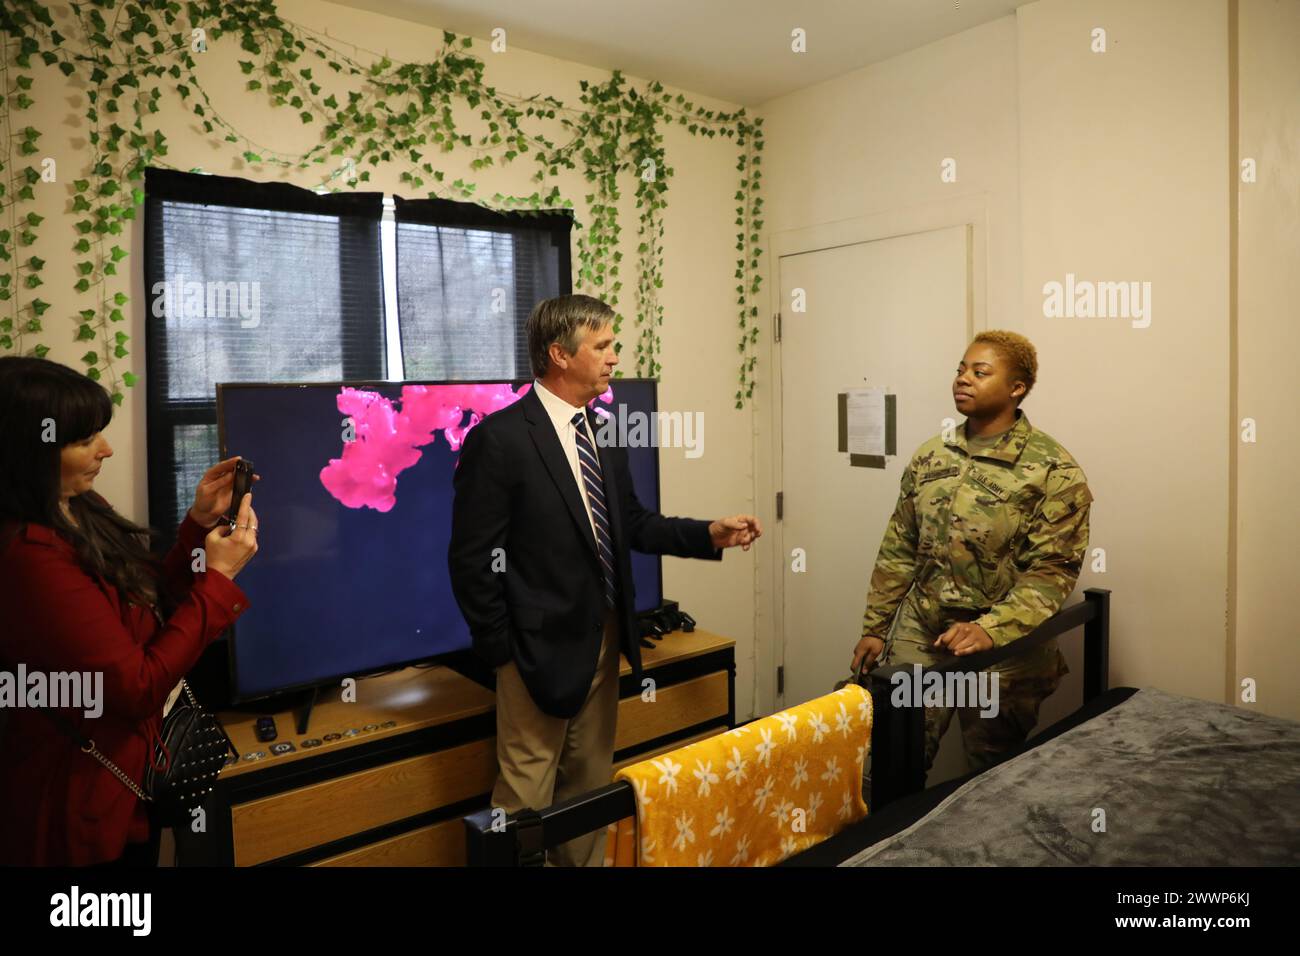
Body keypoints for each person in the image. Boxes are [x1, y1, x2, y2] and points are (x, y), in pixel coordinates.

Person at [449, 294, 761, 866]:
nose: (616, 357)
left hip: (605, 642)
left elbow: (632, 523)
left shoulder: (606, 431)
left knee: (588, 793)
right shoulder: (500, 439)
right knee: (523, 801)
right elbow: (473, 559)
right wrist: (502, 652)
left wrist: (706, 534)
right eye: (604, 346)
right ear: (559, 355)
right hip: (534, 653)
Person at [0, 357, 260, 866]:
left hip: (125, 782)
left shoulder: (75, 505)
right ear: (25, 451)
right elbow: (137, 686)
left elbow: (149, 602)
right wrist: (219, 581)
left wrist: (196, 525)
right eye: (82, 440)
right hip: (78, 804)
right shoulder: (28, 559)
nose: (106, 449)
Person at [852, 331, 1092, 774]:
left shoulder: (1053, 470)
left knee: (989, 774)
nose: (963, 379)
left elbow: (1051, 572)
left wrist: (990, 630)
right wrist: (875, 627)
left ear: (1016, 388)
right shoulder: (931, 455)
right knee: (890, 762)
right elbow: (899, 545)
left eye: (980, 372)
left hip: (1001, 650)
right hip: (923, 632)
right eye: (961, 369)